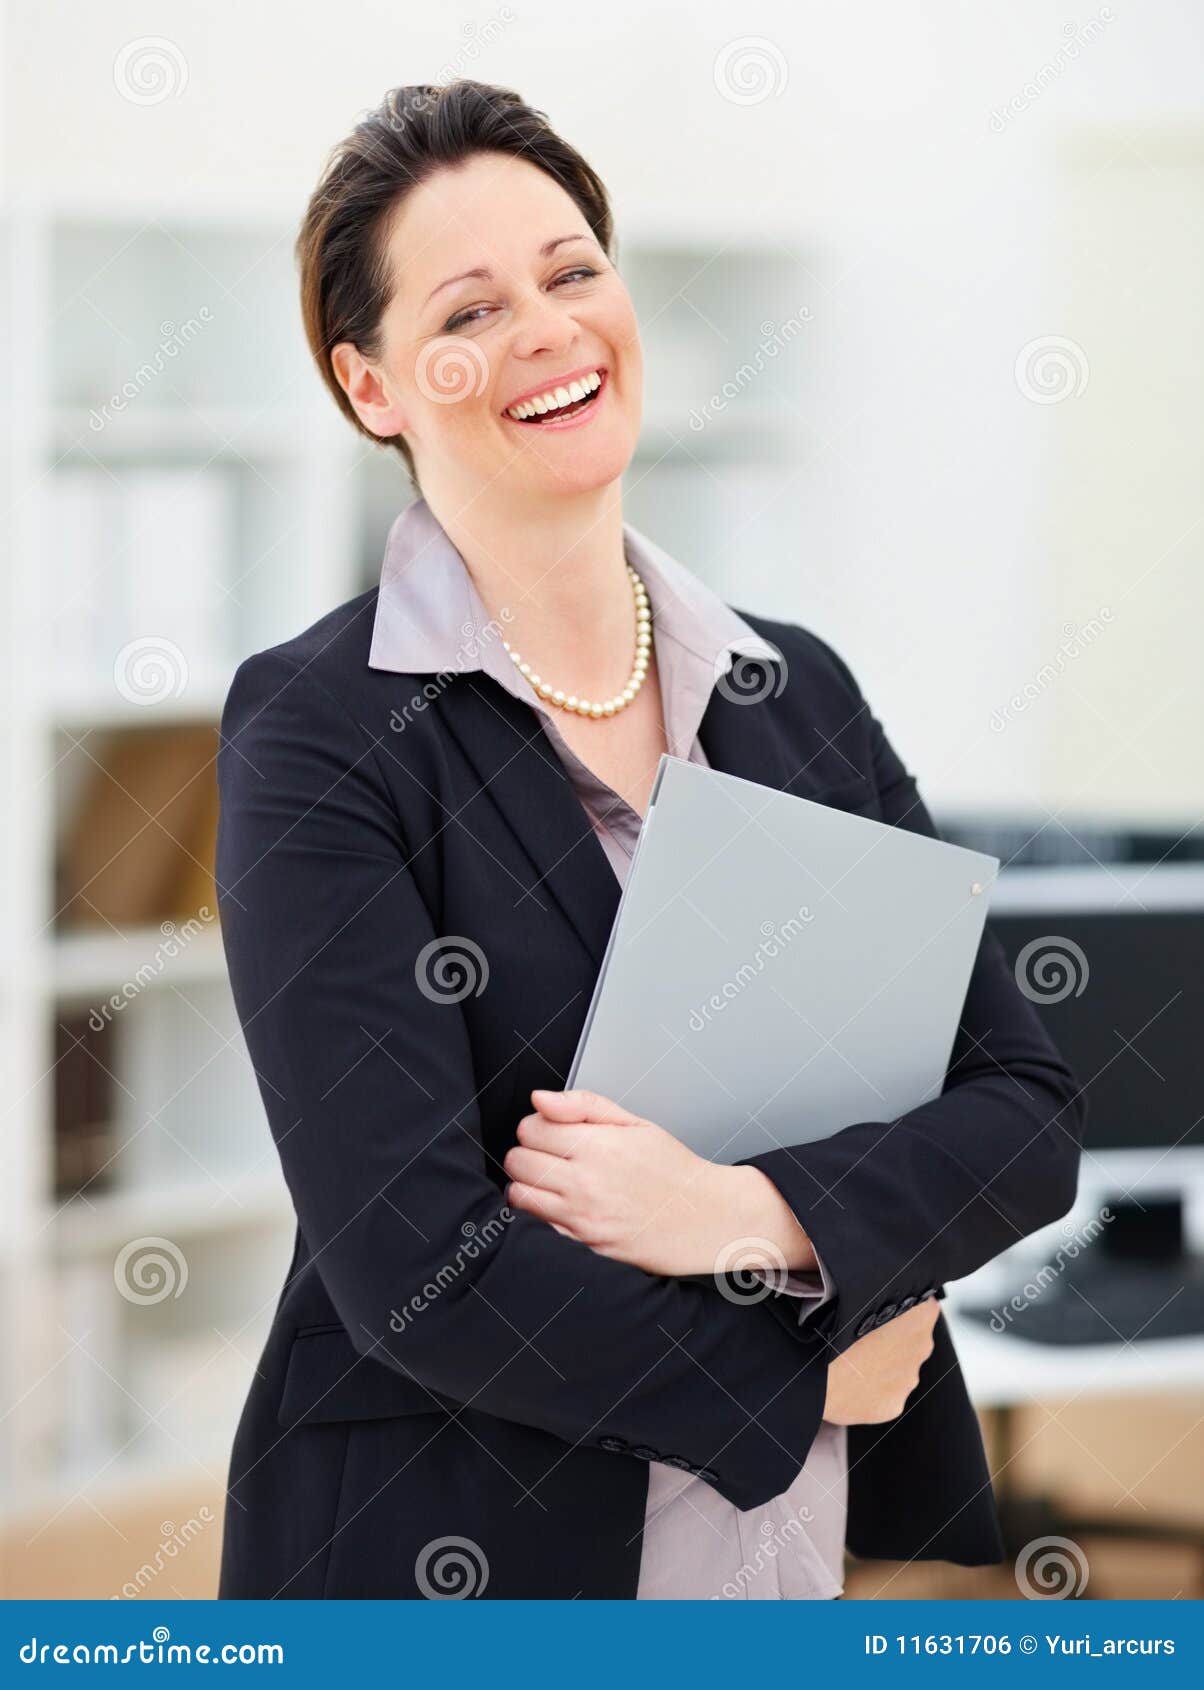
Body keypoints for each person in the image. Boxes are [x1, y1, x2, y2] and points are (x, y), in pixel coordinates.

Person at [215, 79, 1086, 1601]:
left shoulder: (792, 687)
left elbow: (1023, 1108)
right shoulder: (321, 731)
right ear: (373, 387)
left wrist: (743, 1213)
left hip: (773, 1551)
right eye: (469, 309)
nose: (549, 328)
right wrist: (804, 1377)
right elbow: (415, 1264)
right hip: (457, 1544)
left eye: (572, 272)